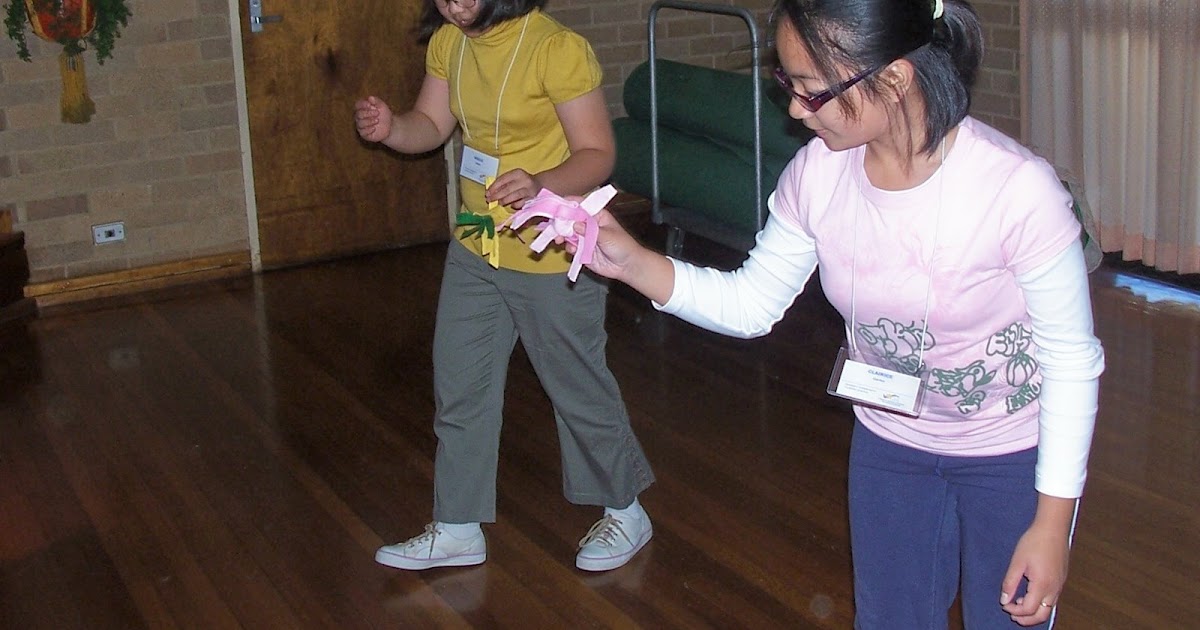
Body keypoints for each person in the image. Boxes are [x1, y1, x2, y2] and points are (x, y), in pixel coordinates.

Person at [571, 0, 1105, 626]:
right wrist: (633, 261)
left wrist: (1052, 523)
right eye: (788, 84)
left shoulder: (1016, 190)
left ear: (895, 78)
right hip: (891, 444)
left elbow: (1072, 361)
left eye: (812, 91)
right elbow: (751, 303)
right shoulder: (818, 174)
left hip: (1010, 454)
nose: (796, 110)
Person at [353, 0, 655, 573]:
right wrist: (393, 129)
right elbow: (430, 126)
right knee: (460, 382)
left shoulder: (555, 49)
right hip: (477, 241)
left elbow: (598, 154)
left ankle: (626, 511)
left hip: (551, 247)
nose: (455, 3)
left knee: (575, 385)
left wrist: (541, 183)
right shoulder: (450, 41)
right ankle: (458, 526)